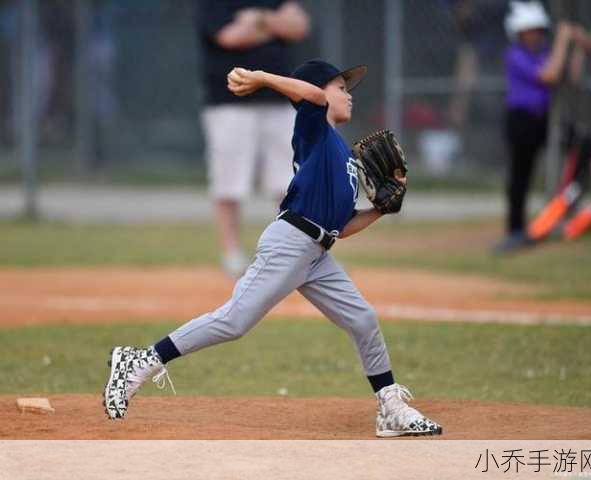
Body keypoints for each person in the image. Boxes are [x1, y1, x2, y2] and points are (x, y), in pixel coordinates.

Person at [103, 59, 443, 438]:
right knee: (235, 321)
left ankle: (390, 407)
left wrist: (381, 210)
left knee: (363, 319)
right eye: (341, 88)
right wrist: (263, 78)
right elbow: (311, 96)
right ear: (320, 92)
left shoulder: (345, 156)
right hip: (290, 242)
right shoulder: (315, 130)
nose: (349, 96)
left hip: (318, 253)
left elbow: (342, 228)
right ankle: (142, 360)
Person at [197, 0, 310, 277]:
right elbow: (230, 37)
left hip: (281, 99)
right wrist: (275, 24)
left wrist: (257, 19)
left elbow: (299, 28)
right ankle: (232, 253)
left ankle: (293, 253)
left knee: (290, 181)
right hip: (229, 101)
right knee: (229, 181)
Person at [494, 1, 576, 253]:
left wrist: (577, 46)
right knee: (520, 175)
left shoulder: (544, 52)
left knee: (580, 146)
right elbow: (549, 76)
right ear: (519, 32)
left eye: (539, 30)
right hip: (521, 119)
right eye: (530, 30)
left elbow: (568, 76)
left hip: (544, 119)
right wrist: (563, 41)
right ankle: (515, 230)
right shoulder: (515, 54)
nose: (536, 35)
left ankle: (564, 212)